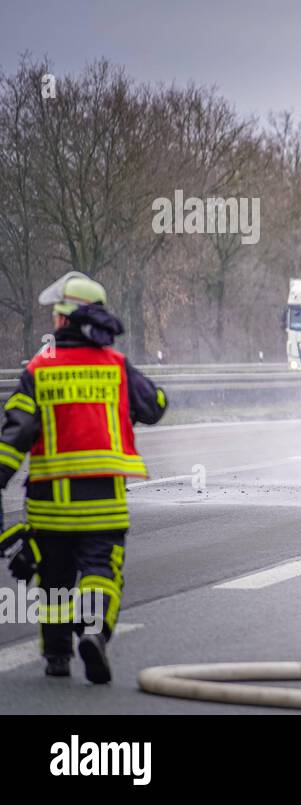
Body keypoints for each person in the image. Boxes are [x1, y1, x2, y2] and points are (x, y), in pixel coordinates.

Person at [0, 271, 167, 683]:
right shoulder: (116, 366)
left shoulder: (40, 368)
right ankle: (93, 630)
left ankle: (57, 657)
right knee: (100, 571)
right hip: (103, 505)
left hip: (50, 508)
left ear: (64, 320)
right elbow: (157, 405)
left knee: (54, 582)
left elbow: (16, 433)